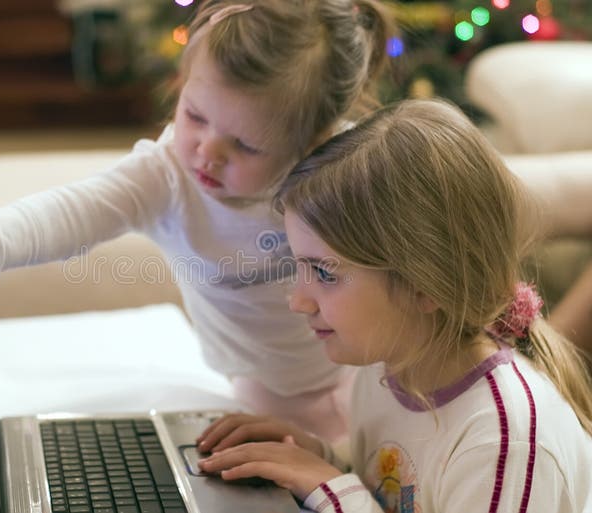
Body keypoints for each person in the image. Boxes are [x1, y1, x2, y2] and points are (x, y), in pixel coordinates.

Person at [0, 0, 394, 443]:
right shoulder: (166, 174)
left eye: (246, 144)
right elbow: (75, 211)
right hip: (266, 391)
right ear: (182, 85)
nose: (207, 152)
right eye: (194, 115)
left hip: (378, 369)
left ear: (312, 139)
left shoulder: (342, 165)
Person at [196, 98, 592, 512]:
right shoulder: (393, 364)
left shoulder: (504, 444)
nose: (298, 301)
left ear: (425, 284)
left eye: (325, 274)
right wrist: (312, 457)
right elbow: (393, 484)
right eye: (299, 268)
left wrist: (328, 487)